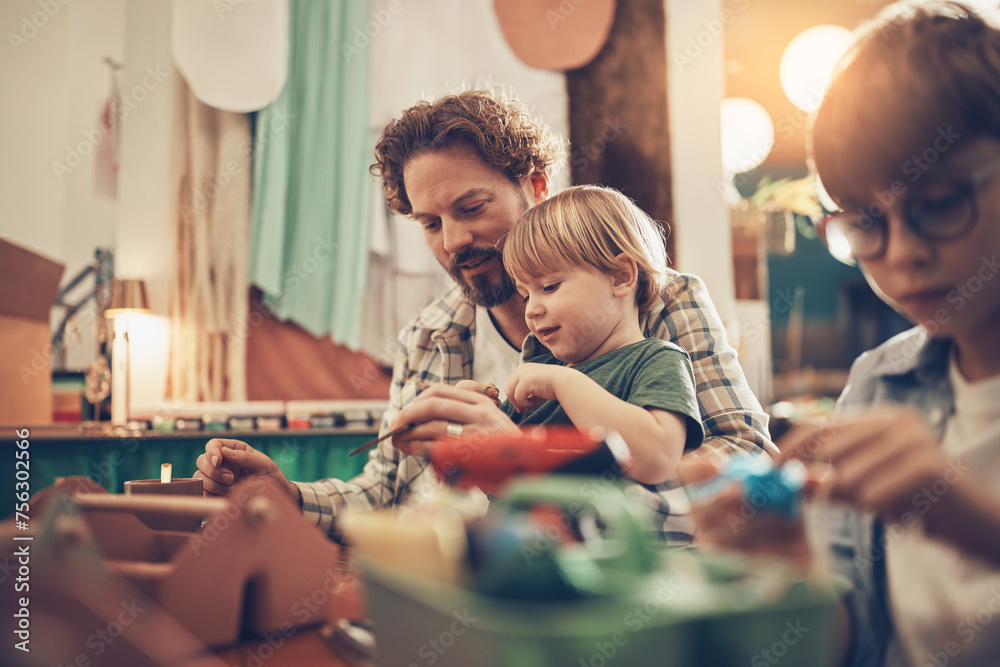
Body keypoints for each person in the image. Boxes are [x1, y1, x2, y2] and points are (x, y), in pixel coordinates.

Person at [195, 89, 773, 541]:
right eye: (429, 223)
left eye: (471, 207)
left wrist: (523, 464)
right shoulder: (430, 337)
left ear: (536, 186)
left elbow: (746, 470)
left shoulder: (658, 301)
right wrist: (287, 495)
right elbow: (385, 495)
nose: (453, 241)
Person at [682, 3, 1000, 665]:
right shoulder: (879, 383)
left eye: (939, 201)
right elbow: (856, 641)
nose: (903, 252)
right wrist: (787, 580)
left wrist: (976, 525)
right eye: (865, 221)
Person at [472, 185, 703, 537]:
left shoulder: (655, 360)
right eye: (525, 294)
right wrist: (475, 420)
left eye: (549, 287)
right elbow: (501, 488)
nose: (532, 309)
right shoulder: (540, 376)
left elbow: (656, 458)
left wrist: (566, 384)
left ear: (621, 277)